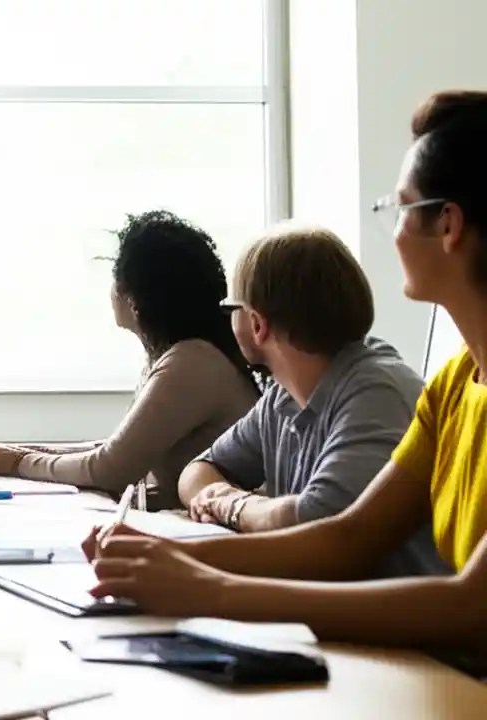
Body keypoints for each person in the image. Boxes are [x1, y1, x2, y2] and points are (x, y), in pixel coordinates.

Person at [84, 91, 487, 665]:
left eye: (400, 208)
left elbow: (473, 607)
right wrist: (156, 555)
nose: (394, 230)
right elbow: (348, 539)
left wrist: (213, 589)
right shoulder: (452, 385)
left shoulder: (379, 385)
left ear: (448, 225)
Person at [170, 224, 444, 575]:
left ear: (257, 324)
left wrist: (231, 506)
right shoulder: (280, 397)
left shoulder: (377, 392)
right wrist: (232, 503)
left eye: (230, 308)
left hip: (389, 608)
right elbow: (198, 471)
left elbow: (316, 521)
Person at [0, 210, 259, 509]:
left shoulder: (191, 362)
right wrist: (17, 453)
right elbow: (114, 449)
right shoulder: (182, 356)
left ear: (134, 301)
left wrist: (17, 463)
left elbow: (110, 468)